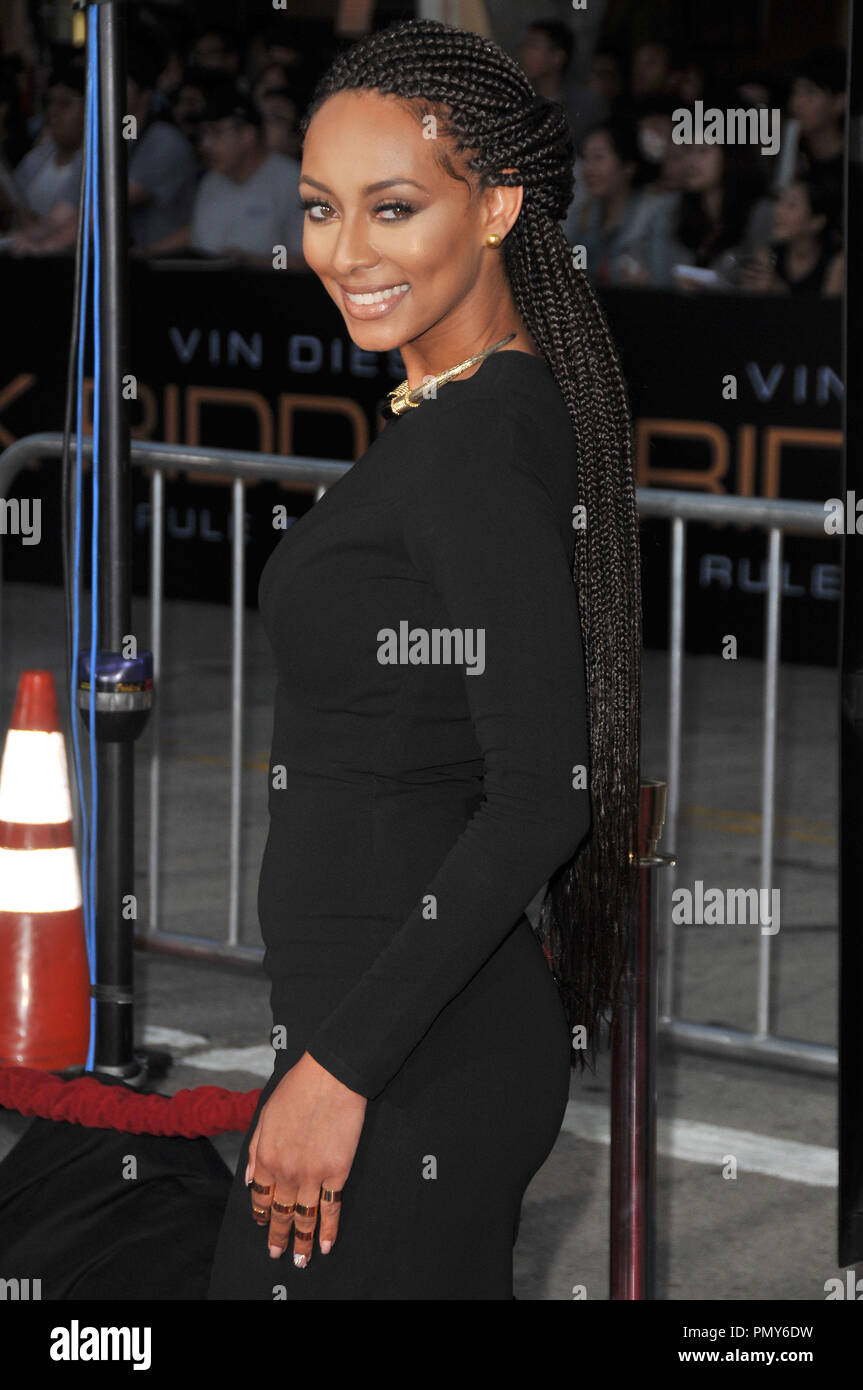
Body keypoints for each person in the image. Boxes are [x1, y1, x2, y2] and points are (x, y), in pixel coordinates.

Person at [206, 16, 641, 1301]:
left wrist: (337, 1078)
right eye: (322, 210)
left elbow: (540, 792)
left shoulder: (470, 445)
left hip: (403, 1069)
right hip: (381, 1037)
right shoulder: (460, 414)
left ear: (497, 203)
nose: (345, 254)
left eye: (392, 208)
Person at [186, 87, 304, 266]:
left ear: (247, 134)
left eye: (217, 132)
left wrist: (252, 262)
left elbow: (312, 262)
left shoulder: (292, 181)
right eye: (204, 134)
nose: (206, 144)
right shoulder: (210, 182)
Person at [740, 170, 843, 297]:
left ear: (816, 222)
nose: (778, 211)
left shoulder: (837, 263)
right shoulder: (767, 254)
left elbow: (828, 314)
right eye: (780, 201)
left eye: (791, 206)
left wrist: (779, 290)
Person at [518, 18, 608, 152]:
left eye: (533, 47)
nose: (524, 53)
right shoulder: (518, 100)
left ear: (557, 57)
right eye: (525, 46)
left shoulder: (587, 105)